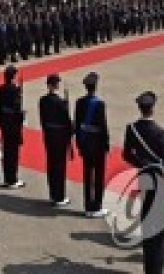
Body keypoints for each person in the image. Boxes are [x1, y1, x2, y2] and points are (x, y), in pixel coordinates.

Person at [120, 91, 164, 274]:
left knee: (147, 222)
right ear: (152, 108)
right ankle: (157, 269)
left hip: (144, 177)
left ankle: (148, 268)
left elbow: (127, 154)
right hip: (159, 179)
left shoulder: (132, 128)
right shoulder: (160, 133)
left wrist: (142, 164)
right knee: (159, 227)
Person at [75, 72, 109, 218]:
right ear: (95, 87)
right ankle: (97, 206)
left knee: (88, 174)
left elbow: (77, 124)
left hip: (85, 141)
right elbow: (103, 126)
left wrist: (79, 143)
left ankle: (88, 205)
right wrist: (106, 144)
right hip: (97, 143)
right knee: (99, 175)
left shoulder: (79, 102)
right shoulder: (99, 104)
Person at [38, 73, 72, 207]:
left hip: (48, 135)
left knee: (51, 165)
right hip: (59, 137)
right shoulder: (59, 102)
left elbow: (43, 120)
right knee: (59, 166)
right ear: (55, 85)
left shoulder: (43, 100)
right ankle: (59, 196)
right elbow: (67, 122)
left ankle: (53, 194)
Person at [0, 65, 25, 189]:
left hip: (5, 123)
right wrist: (22, 118)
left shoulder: (1, 89)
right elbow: (17, 110)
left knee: (6, 151)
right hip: (13, 125)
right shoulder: (15, 90)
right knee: (13, 153)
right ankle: (12, 179)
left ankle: (7, 177)